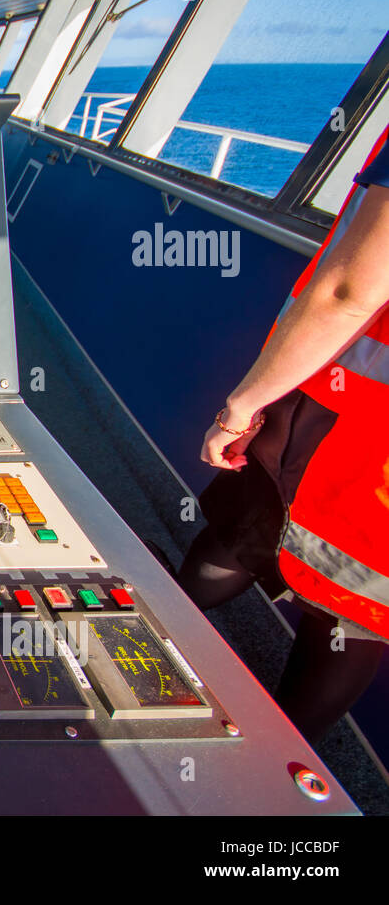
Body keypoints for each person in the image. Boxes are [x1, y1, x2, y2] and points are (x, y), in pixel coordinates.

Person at [177, 127, 389, 745]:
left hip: (341, 421)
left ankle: (136, 648)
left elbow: (348, 294)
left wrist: (240, 409)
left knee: (243, 534)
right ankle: (273, 770)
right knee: (356, 609)